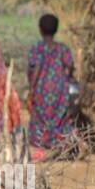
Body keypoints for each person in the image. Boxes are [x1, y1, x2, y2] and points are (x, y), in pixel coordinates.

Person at [26, 13, 75, 158]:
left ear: (40, 29)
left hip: (41, 90)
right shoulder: (62, 49)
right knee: (60, 116)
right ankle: (60, 144)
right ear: (56, 29)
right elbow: (70, 67)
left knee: (40, 117)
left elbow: (34, 69)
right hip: (60, 89)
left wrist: (31, 89)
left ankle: (41, 146)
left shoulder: (37, 48)